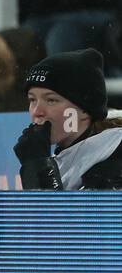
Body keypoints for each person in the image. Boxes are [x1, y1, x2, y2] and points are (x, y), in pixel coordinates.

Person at [16, 48, 122, 189]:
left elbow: (54, 205)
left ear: (84, 110)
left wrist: (37, 163)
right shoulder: (64, 159)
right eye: (32, 100)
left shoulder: (115, 160)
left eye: (51, 100)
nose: (37, 111)